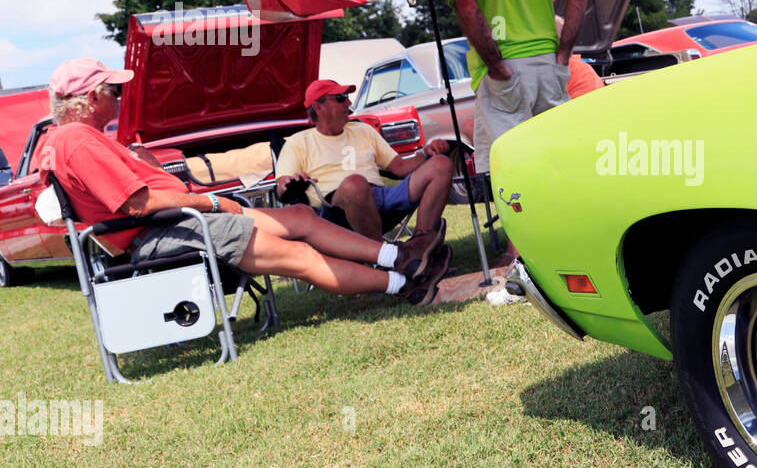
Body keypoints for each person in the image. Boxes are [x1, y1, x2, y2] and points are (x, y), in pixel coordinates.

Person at [41, 58, 451, 306]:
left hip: (175, 220)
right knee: (302, 257)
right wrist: (215, 204)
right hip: (166, 229)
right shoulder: (75, 139)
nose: (119, 97)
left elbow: (140, 194)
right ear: (92, 98)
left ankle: (396, 256)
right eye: (113, 90)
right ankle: (405, 282)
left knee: (299, 215)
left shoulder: (71, 139)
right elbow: (136, 205)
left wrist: (155, 170)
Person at [447, 0, 589, 168]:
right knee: (558, 158)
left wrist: (495, 66)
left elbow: (466, 5)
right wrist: (563, 54)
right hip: (549, 65)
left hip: (505, 71)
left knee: (512, 167)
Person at [276, 79, 453, 242]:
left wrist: (425, 152)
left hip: (380, 197)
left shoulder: (363, 130)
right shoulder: (298, 143)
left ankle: (421, 248)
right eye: (340, 98)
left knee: (441, 165)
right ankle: (383, 259)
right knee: (355, 184)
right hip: (334, 211)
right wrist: (290, 184)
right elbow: (283, 185)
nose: (349, 103)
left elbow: (399, 167)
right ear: (319, 107)